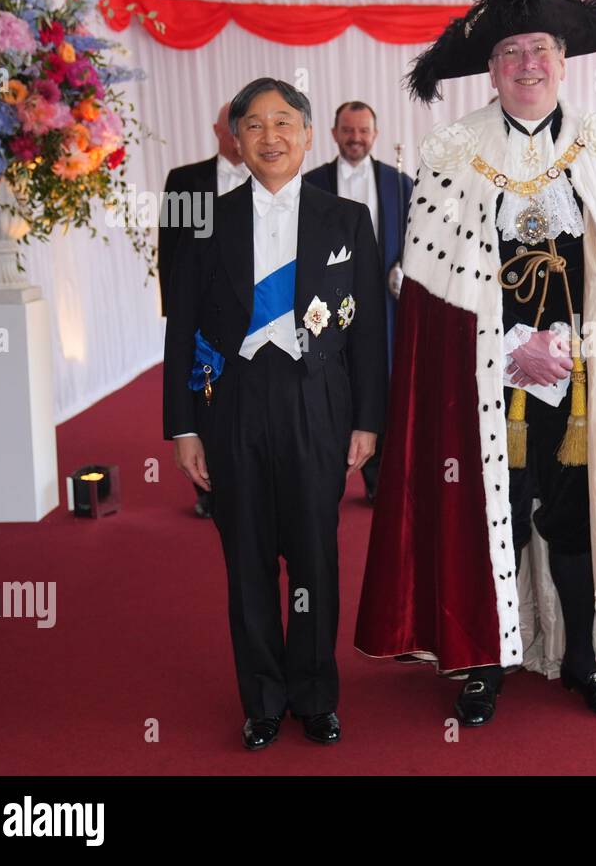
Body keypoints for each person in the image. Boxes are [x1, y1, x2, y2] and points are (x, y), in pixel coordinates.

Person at [354, 0, 596, 727]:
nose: (526, 65)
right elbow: (430, 288)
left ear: (562, 60)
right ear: (490, 68)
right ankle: (483, 662)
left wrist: (583, 348)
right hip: (485, 376)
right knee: (495, 511)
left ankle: (581, 659)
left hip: (586, 378)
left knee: (578, 517)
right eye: (510, 53)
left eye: (539, 50)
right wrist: (508, 346)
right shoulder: (449, 152)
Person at [163, 78, 386, 750]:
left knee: (315, 555)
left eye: (284, 122)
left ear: (308, 134)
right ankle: (262, 697)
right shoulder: (207, 219)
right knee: (249, 558)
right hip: (233, 402)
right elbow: (182, 327)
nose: (270, 136)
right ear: (236, 138)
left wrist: (368, 418)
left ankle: (314, 692)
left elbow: (370, 330)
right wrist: (183, 424)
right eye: (253, 125)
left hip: (317, 402)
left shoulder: (346, 219)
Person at [305, 100, 413, 500]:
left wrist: (405, 265)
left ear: (375, 134)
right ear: (334, 134)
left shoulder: (399, 182)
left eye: (363, 130)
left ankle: (378, 479)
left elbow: (416, 239)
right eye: (348, 130)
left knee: (379, 379)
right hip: (327, 302)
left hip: (383, 302)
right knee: (331, 380)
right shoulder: (312, 183)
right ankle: (328, 471)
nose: (355, 138)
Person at [159, 103, 251, 520]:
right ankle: (207, 488)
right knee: (203, 399)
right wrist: (175, 313)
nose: (236, 132)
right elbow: (173, 254)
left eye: (244, 124)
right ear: (216, 129)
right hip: (202, 318)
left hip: (259, 313)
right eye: (230, 124)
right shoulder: (186, 181)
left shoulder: (274, 178)